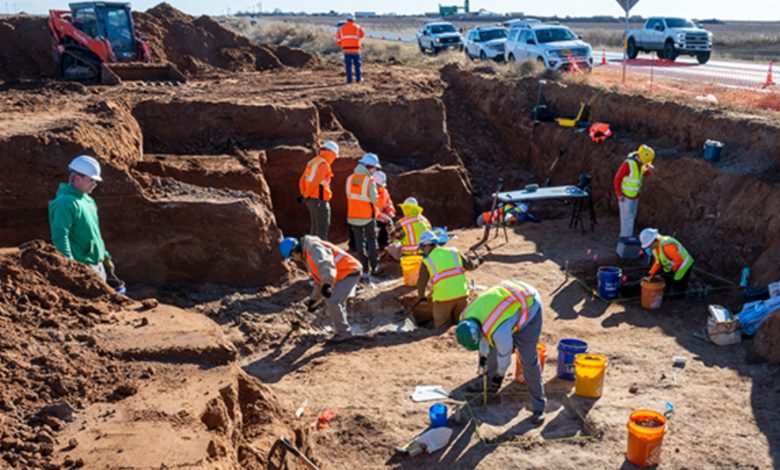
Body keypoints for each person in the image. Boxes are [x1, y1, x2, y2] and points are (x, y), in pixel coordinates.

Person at [455, 280, 547, 425]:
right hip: (509, 300)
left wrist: (500, 375)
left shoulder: (499, 332)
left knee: (528, 359)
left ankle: (539, 406)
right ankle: (489, 384)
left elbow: (505, 358)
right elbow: (484, 343)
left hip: (529, 304)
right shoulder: (465, 316)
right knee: (491, 347)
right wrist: (483, 362)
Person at [279, 236, 362, 341]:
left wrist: (327, 284)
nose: (294, 261)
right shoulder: (308, 255)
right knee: (337, 301)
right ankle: (342, 330)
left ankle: (343, 333)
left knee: (332, 301)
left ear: (294, 252)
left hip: (349, 271)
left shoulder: (313, 247)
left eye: (292, 258)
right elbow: (319, 281)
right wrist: (314, 299)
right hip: (342, 273)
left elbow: (325, 264)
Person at [48, 155, 112, 281]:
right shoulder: (65, 202)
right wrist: (70, 265)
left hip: (96, 265)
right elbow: (60, 236)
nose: (95, 184)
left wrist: (103, 254)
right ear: (77, 178)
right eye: (91, 180)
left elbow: (93, 232)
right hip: (83, 267)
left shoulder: (88, 200)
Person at [417, 231, 479, 329]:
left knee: (441, 329)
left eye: (422, 248)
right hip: (462, 296)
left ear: (427, 246)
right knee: (462, 325)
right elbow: (470, 265)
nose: (423, 251)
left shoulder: (426, 261)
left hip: (442, 300)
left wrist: (421, 296)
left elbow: (421, 283)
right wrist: (478, 261)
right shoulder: (454, 251)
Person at [346, 153, 381, 276]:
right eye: (374, 167)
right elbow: (374, 200)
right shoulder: (369, 180)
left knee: (359, 243)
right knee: (371, 241)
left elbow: (349, 195)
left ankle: (365, 268)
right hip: (367, 217)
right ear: (368, 166)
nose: (375, 170)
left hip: (353, 216)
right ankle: (374, 267)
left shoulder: (350, 179)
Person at [299, 141, 339, 240]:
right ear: (332, 153)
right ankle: (320, 253)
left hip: (311, 200)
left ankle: (310, 252)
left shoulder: (313, 161)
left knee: (314, 228)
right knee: (321, 231)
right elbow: (315, 182)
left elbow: (302, 180)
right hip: (319, 201)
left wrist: (304, 195)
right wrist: (305, 195)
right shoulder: (324, 165)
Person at [614, 145, 654, 241]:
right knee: (627, 220)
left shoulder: (640, 163)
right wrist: (619, 194)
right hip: (625, 196)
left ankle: (626, 239)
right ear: (640, 157)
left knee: (631, 217)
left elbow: (641, 174)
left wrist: (648, 171)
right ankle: (625, 241)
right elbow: (617, 179)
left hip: (634, 195)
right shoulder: (628, 164)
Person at [640, 228, 695, 298]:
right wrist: (650, 273)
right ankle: (667, 298)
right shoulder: (655, 248)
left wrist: (672, 271)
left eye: (649, 246)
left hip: (684, 265)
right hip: (676, 265)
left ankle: (678, 302)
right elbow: (658, 262)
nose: (649, 248)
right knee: (668, 283)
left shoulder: (666, 246)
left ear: (654, 241)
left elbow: (679, 260)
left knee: (678, 286)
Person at [336, 13, 365, 84]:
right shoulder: (357, 28)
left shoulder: (342, 29)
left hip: (346, 50)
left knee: (348, 66)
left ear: (347, 19)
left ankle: (349, 80)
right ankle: (359, 79)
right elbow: (362, 35)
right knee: (357, 65)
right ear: (353, 20)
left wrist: (343, 45)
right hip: (356, 50)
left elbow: (338, 39)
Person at [373, 171, 396, 250]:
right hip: (372, 216)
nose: (379, 187)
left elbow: (388, 203)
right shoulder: (369, 192)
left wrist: (390, 212)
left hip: (382, 216)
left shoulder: (384, 191)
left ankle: (384, 245)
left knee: (388, 225)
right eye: (378, 185)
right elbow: (373, 209)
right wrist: (384, 217)